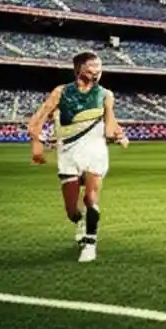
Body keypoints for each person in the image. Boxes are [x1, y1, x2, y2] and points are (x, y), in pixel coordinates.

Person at [27, 51, 128, 263]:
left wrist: (118, 135)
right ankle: (80, 221)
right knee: (72, 211)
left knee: (91, 198)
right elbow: (36, 121)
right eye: (92, 66)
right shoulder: (61, 92)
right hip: (68, 152)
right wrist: (37, 146)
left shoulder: (106, 95)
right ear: (79, 69)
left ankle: (90, 243)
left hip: (95, 150)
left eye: (99, 67)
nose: (97, 71)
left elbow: (110, 124)